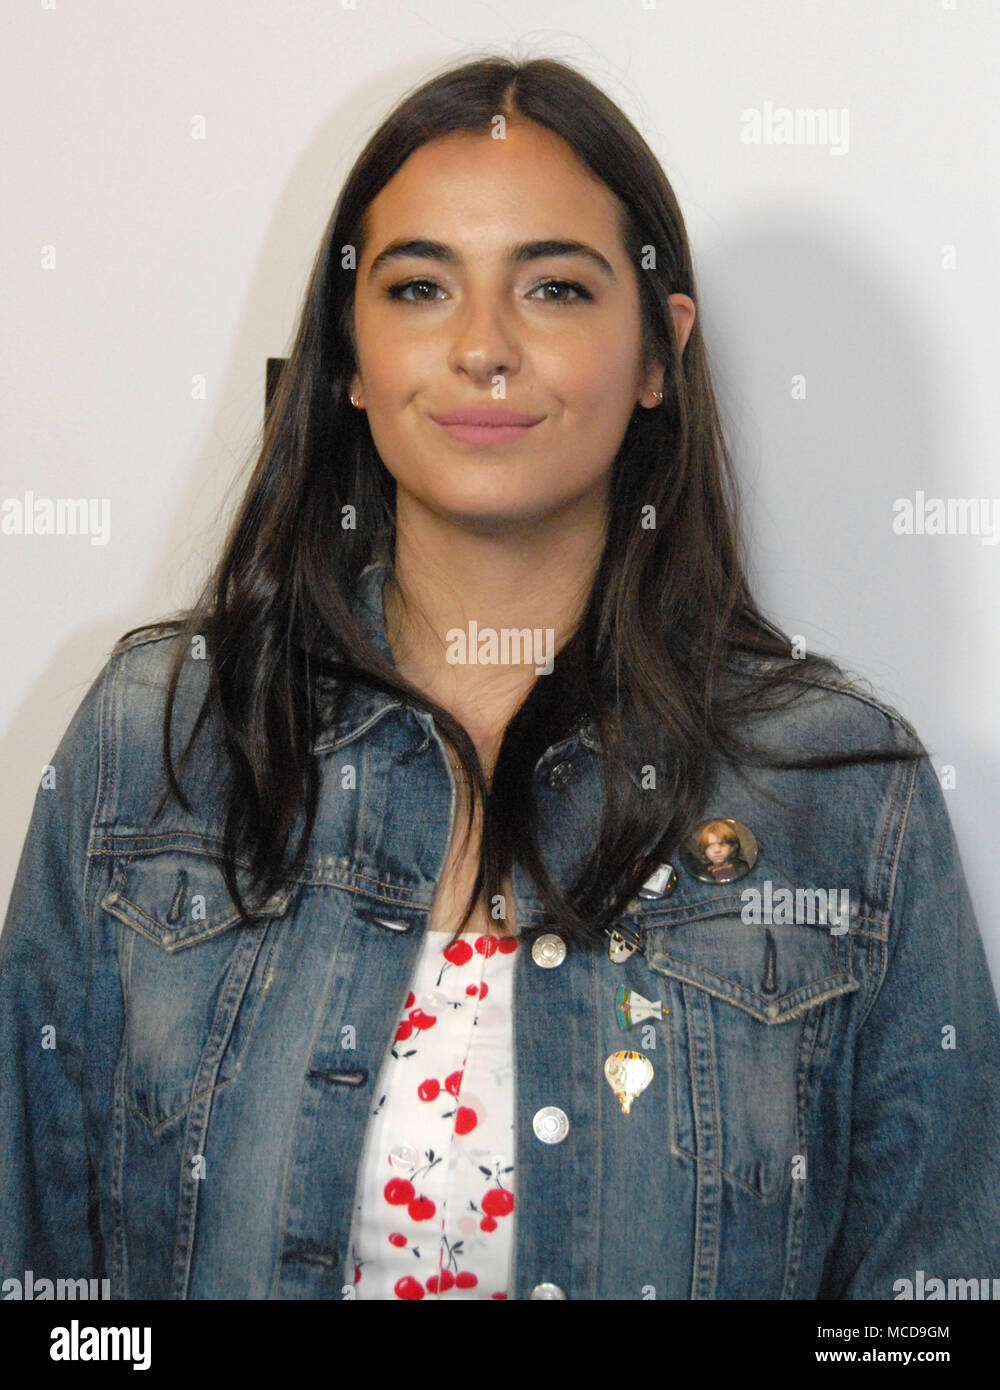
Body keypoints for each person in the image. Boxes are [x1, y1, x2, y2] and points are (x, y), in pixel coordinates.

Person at [2, 54, 999, 1302]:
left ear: (656, 352)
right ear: (347, 356)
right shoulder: (158, 738)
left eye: (555, 287)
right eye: (419, 286)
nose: (483, 347)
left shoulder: (846, 793)